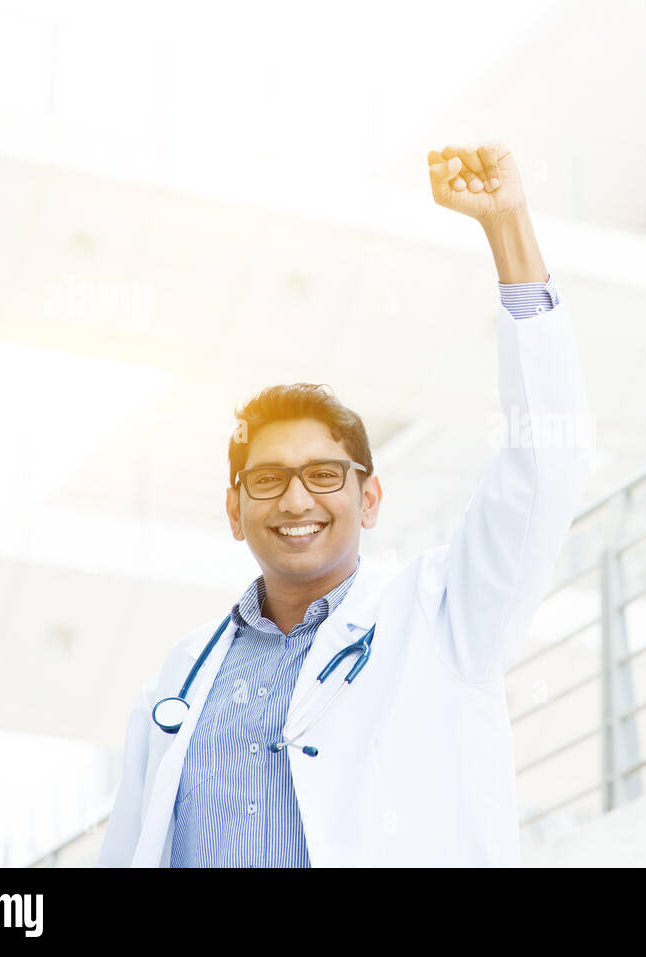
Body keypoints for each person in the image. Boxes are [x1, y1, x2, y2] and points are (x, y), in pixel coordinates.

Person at [97, 143, 590, 867]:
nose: (297, 498)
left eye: (325, 474)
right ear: (234, 512)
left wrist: (508, 228)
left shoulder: (445, 616)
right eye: (267, 480)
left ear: (371, 498)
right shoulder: (182, 675)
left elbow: (544, 467)